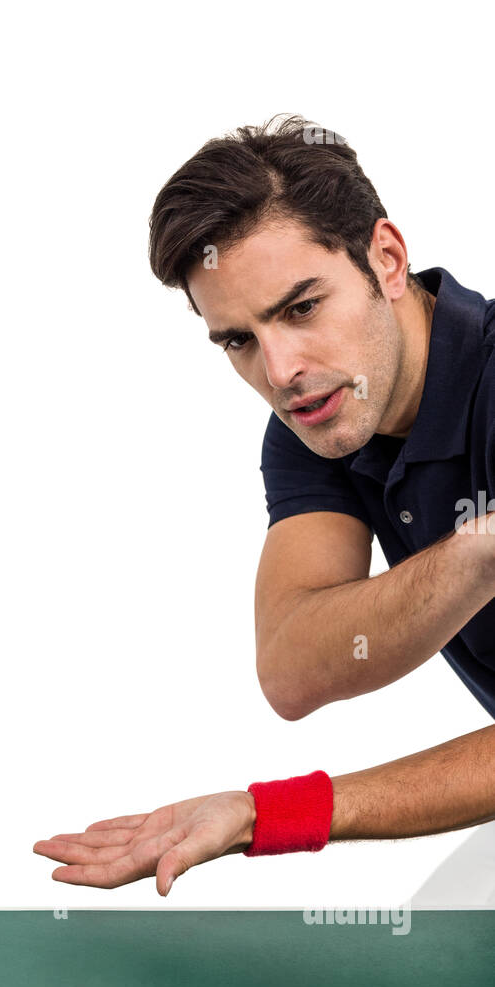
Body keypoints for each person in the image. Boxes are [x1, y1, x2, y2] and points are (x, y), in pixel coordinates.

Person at [33, 114, 495, 896]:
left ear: (386, 259)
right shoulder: (316, 426)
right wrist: (476, 555)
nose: (281, 371)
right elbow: (292, 669)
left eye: (301, 308)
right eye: (238, 340)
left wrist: (267, 814)